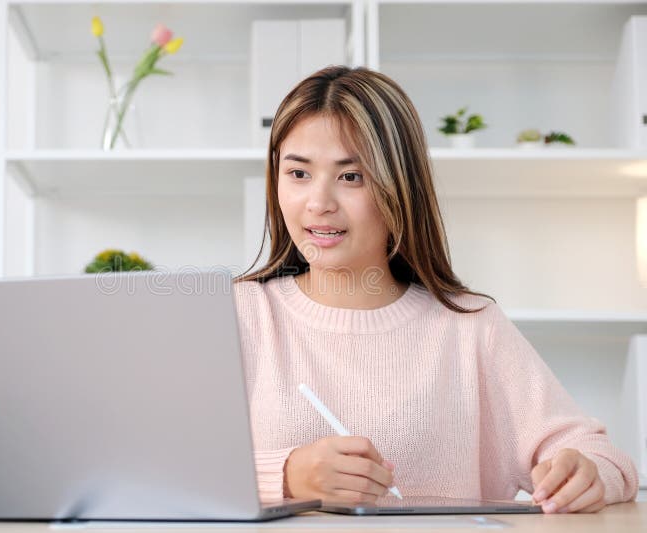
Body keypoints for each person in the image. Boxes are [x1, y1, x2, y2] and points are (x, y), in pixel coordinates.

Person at [232, 65, 638, 514]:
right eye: (298, 174)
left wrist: (585, 474)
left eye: (352, 177)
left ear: (400, 187)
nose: (319, 203)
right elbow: (158, 468)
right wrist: (287, 476)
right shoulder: (239, 315)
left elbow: (606, 460)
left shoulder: (469, 326)